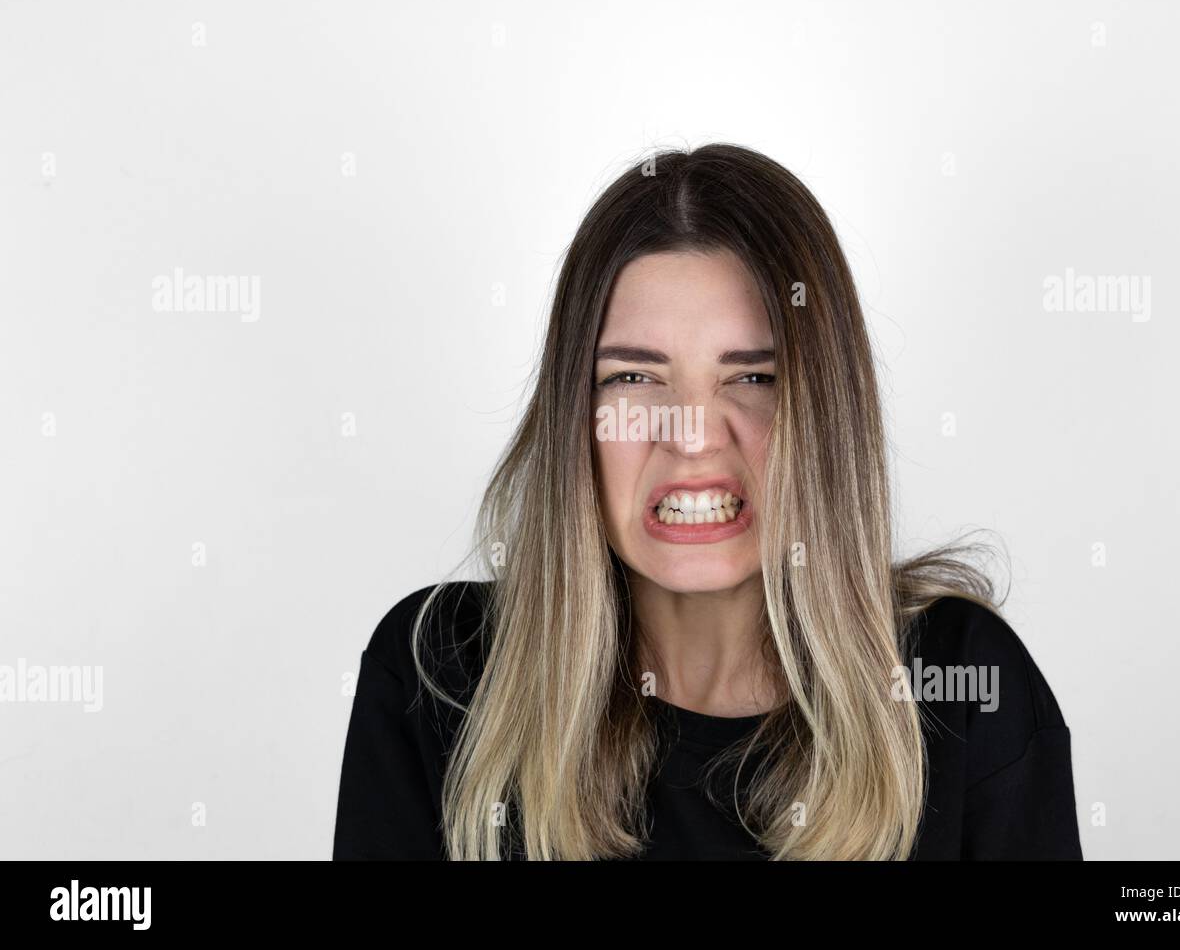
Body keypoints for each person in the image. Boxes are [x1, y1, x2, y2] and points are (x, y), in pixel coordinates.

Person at [333, 144, 1083, 860]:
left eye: (754, 378)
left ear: (827, 417)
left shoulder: (958, 690)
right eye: (633, 378)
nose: (691, 436)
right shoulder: (438, 677)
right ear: (575, 419)